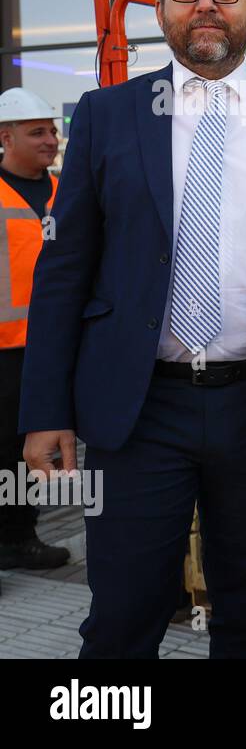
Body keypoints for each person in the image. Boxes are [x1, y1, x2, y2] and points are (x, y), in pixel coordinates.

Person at [19, 0, 246, 657]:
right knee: (123, 614)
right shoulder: (106, 116)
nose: (205, 6)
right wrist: (46, 414)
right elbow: (63, 273)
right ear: (159, 8)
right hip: (139, 410)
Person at [0, 89, 69, 574]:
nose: (51, 140)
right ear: (6, 137)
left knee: (32, 450)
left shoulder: (68, 192)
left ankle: (19, 538)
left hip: (51, 345)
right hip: (4, 350)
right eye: (37, 132)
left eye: (52, 130)